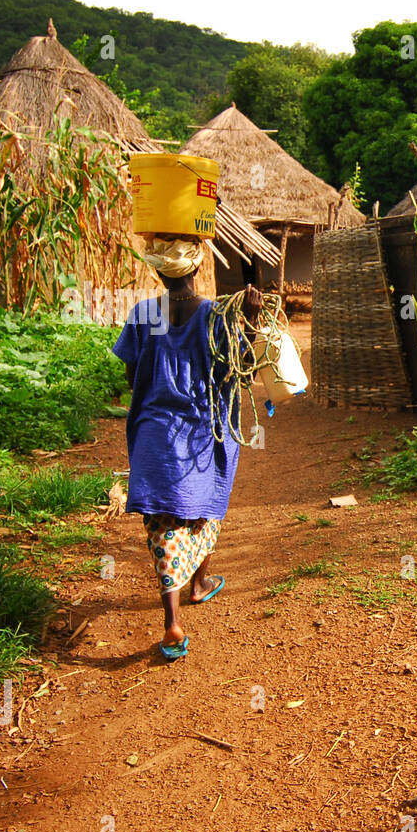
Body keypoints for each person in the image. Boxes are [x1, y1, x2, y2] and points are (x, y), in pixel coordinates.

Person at [112, 234, 261, 660]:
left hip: (154, 435)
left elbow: (130, 378)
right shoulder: (217, 316)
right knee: (203, 508)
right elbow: (243, 372)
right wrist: (248, 321)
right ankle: (197, 584)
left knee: (162, 523)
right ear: (197, 269)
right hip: (202, 435)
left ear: (158, 272)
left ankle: (173, 620)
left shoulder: (143, 315)